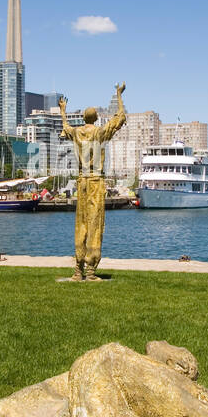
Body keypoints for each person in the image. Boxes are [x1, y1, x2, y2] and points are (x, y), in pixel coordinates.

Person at [58, 83, 127, 281]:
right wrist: (118, 95)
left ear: (84, 118)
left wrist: (63, 111)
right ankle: (90, 271)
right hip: (96, 182)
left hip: (82, 182)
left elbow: (65, 127)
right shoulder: (99, 133)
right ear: (95, 118)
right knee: (95, 224)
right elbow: (120, 117)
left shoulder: (77, 132)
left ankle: (78, 270)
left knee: (81, 225)